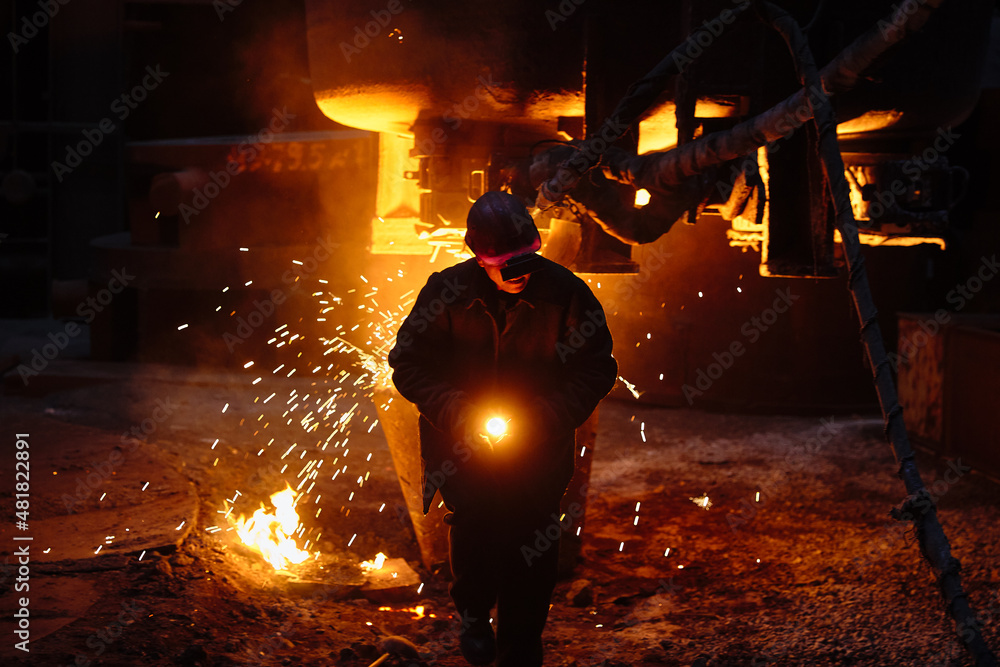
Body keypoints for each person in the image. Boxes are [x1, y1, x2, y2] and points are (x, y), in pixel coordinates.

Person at [389, 191, 618, 666]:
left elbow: (596, 370)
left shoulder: (567, 294)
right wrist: (454, 410)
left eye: (526, 261)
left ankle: (520, 644)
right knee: (473, 529)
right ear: (479, 257)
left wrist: (544, 418)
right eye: (505, 266)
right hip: (461, 450)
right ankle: (473, 615)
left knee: (533, 542)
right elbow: (408, 362)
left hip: (537, 454)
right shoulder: (446, 291)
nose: (520, 276)